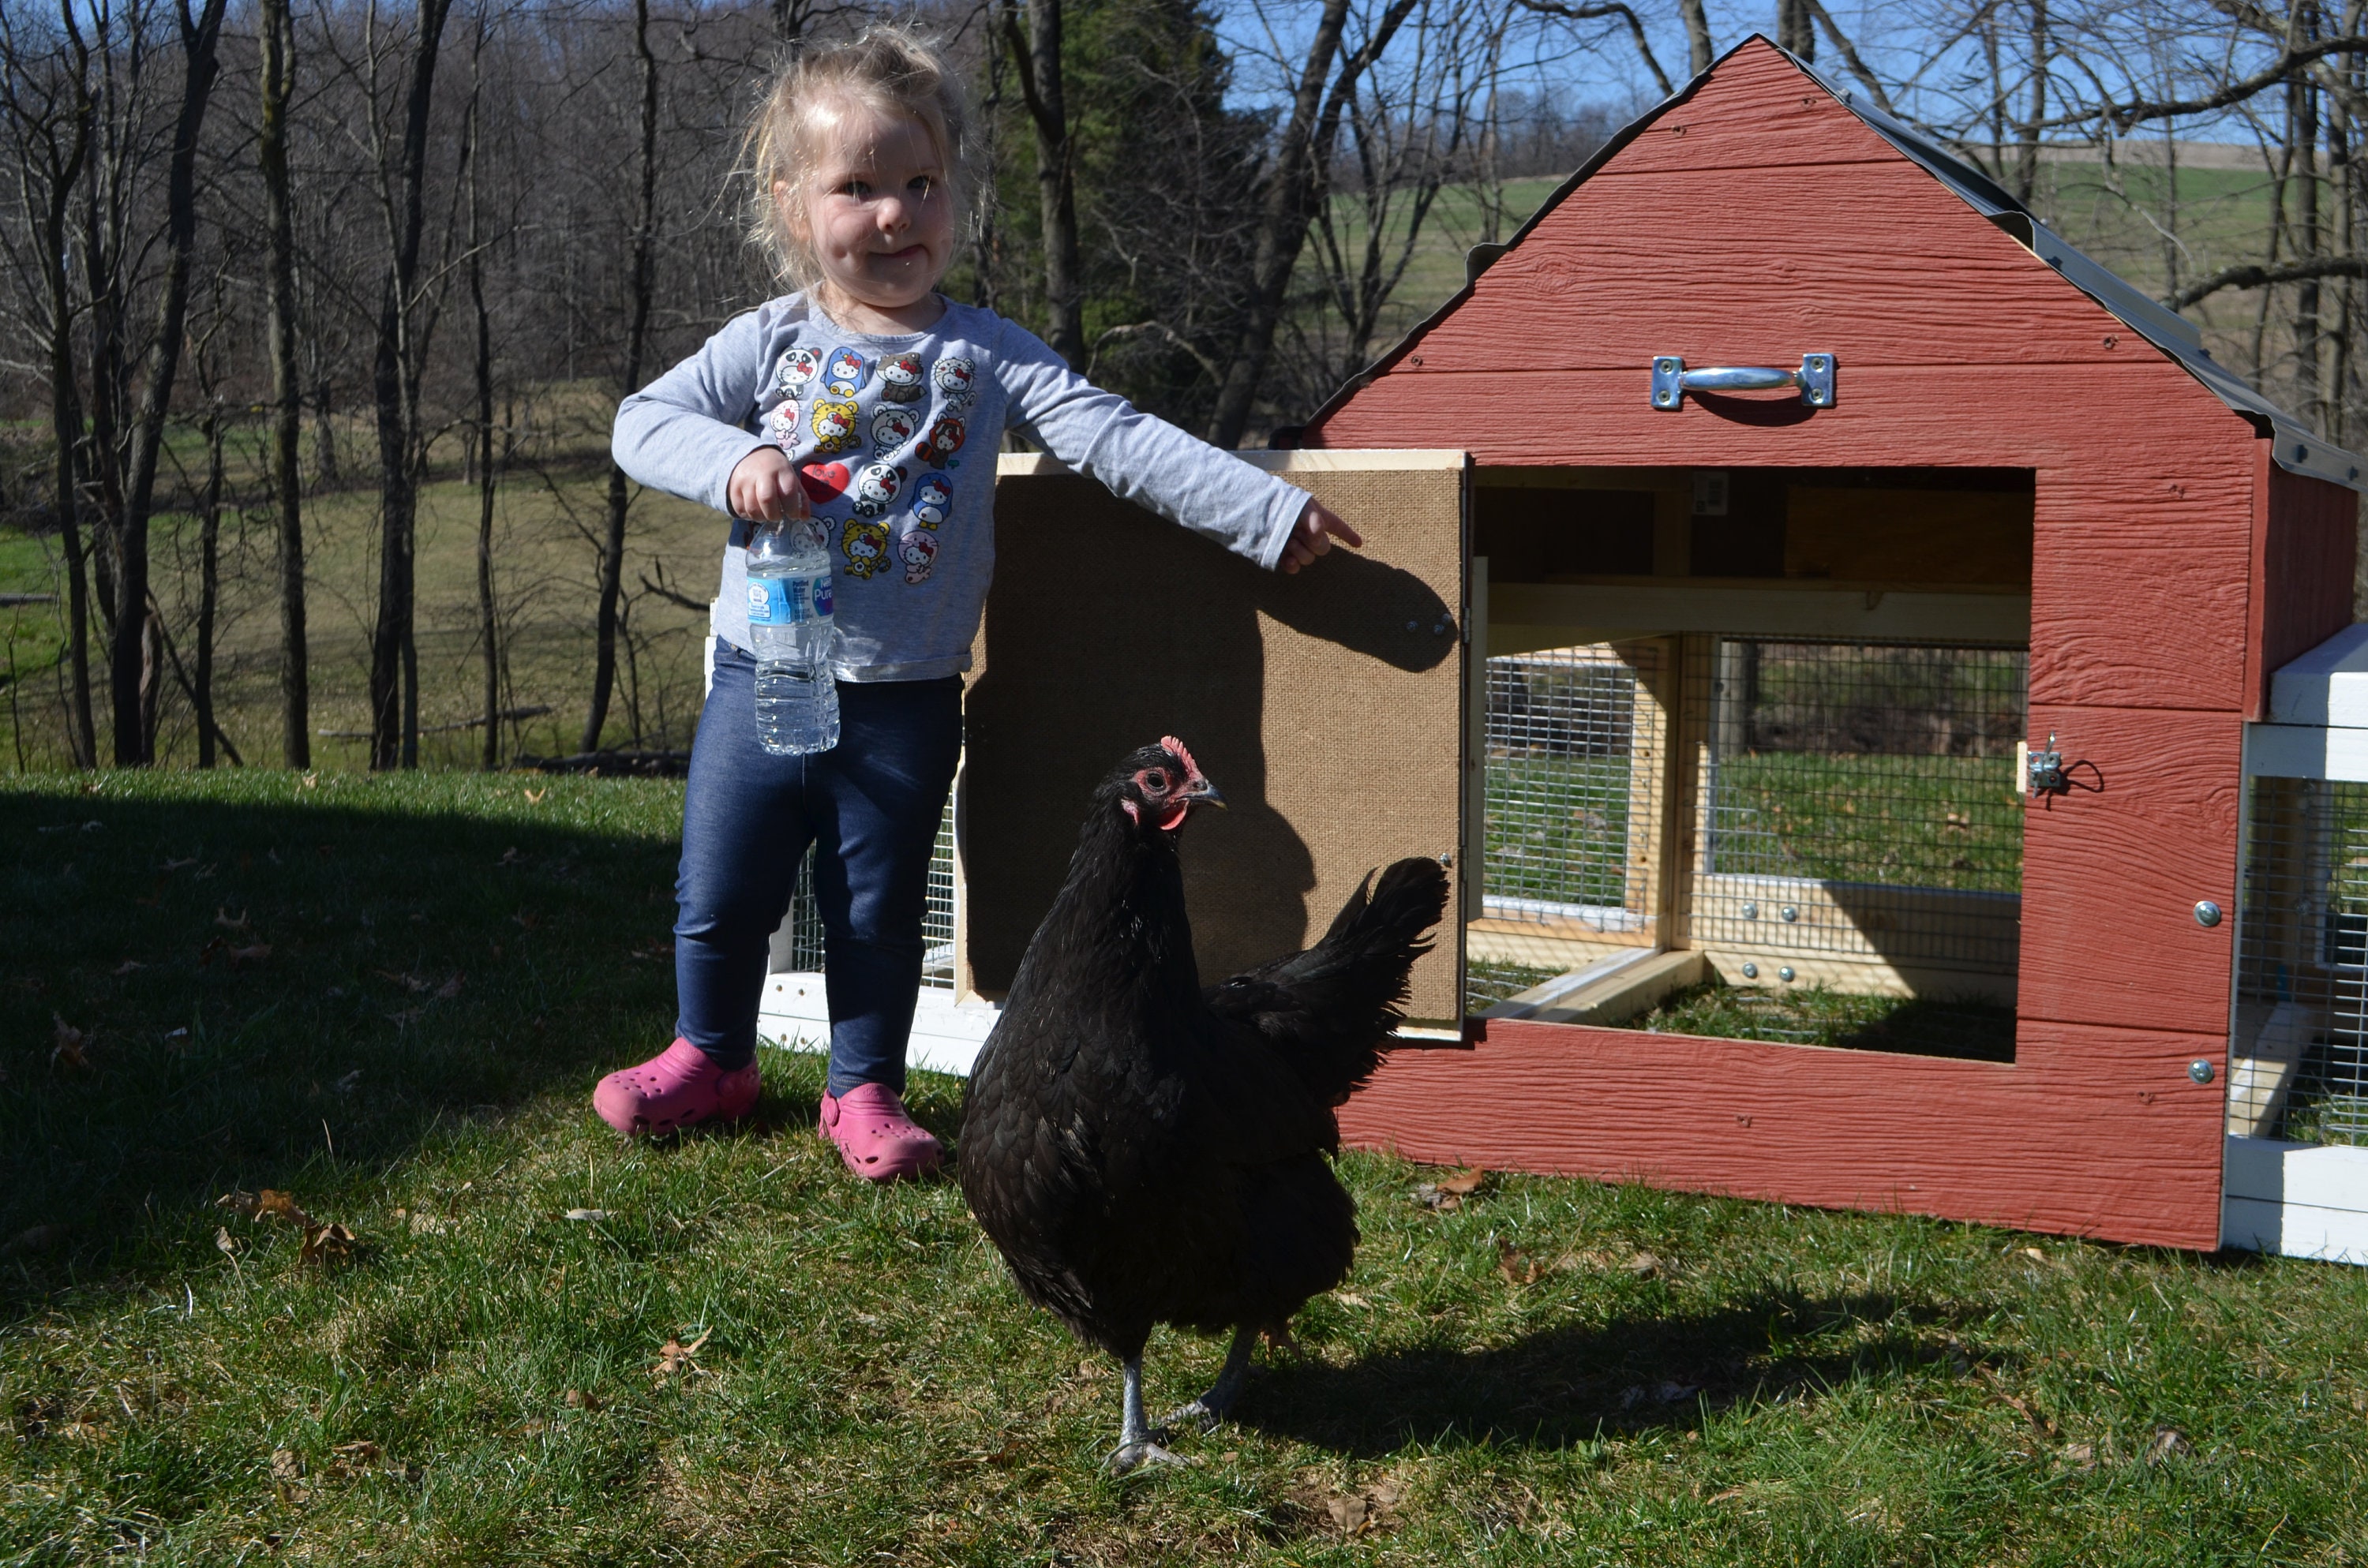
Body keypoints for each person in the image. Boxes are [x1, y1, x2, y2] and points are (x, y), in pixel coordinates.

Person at [592, 23, 1361, 1178]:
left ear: (955, 193)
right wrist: (733, 464)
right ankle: (712, 1056)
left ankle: (863, 1093)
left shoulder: (985, 354)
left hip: (905, 699)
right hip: (763, 676)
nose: (896, 216)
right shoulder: (771, 344)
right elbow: (639, 422)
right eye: (859, 188)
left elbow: (1117, 438)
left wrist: (1265, 511)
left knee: (876, 912)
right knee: (719, 890)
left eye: (922, 184)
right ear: (795, 205)